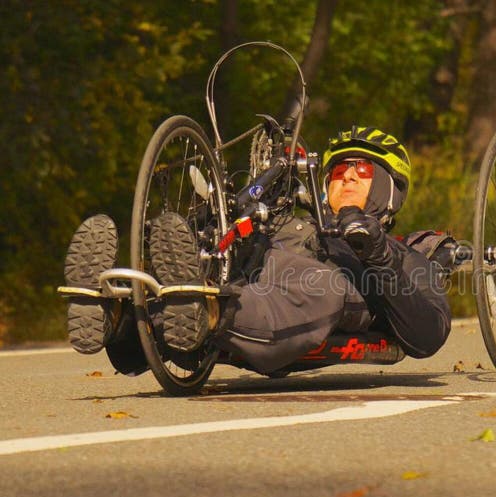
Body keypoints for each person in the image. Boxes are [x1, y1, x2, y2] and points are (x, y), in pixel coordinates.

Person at [63, 126, 453, 376]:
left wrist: (378, 254)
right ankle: (119, 317)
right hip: (255, 272)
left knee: (322, 286)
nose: (347, 174)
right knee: (214, 258)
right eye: (338, 170)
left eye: (363, 170)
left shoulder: (401, 255)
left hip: (319, 291)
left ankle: (209, 311)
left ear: (389, 188)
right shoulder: (293, 221)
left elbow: (428, 336)